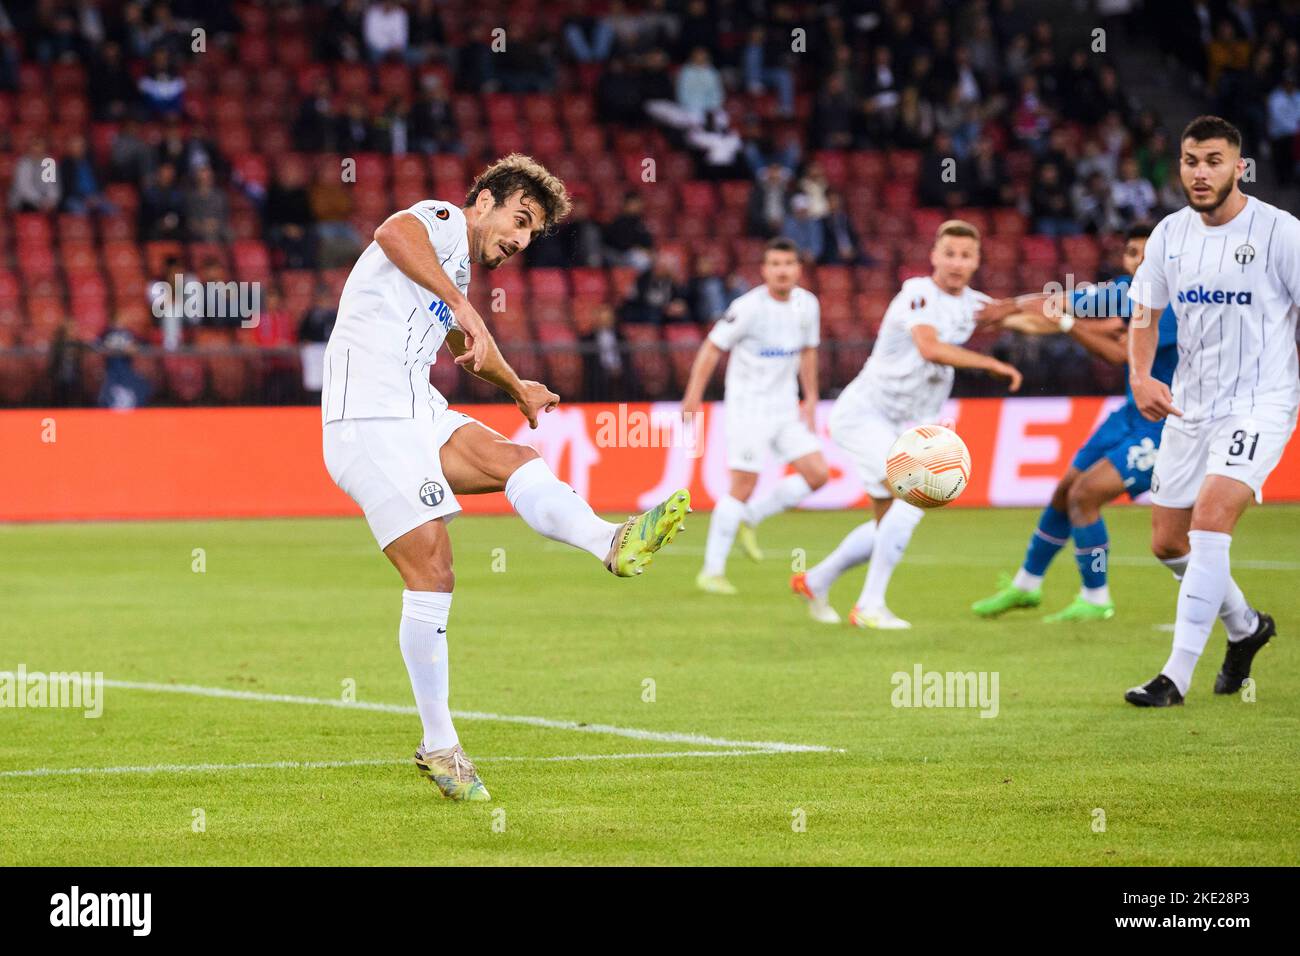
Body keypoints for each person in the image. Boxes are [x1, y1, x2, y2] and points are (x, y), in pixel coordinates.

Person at [320, 154, 691, 800]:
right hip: (366, 419)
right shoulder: (438, 223)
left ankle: (611, 543)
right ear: (485, 199)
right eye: (519, 220)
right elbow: (389, 233)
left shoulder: (452, 271)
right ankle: (440, 746)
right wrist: (461, 303)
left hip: (414, 413)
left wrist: (518, 389)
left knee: (517, 460)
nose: (520, 240)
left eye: (531, 234)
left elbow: (474, 351)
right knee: (432, 570)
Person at [1122, 116, 1298, 707]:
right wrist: (1141, 376)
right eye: (1191, 161)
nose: (1201, 173)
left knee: (1211, 518)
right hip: (1190, 405)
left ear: (1238, 167)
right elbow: (1144, 310)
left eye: (1214, 161)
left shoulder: (1280, 233)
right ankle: (1247, 627)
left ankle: (1176, 676)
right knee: (1168, 544)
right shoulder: (1170, 234)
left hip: (1261, 402)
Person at [792, 221, 1023, 627]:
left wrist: (1067, 321)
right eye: (948, 253)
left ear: (976, 261)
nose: (956, 262)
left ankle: (817, 579)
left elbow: (1024, 319)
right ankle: (870, 607)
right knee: (916, 495)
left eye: (965, 255)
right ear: (933, 255)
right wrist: (989, 362)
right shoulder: (917, 293)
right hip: (866, 415)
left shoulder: (974, 304)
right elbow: (930, 348)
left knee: (886, 522)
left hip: (908, 426)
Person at [971, 224, 1178, 622]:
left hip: (1165, 425)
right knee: (1064, 492)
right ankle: (1026, 586)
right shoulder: (1123, 292)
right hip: (1129, 415)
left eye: (1148, 253)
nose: (1139, 261)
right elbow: (1062, 302)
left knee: (1085, 496)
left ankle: (1096, 597)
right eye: (1132, 253)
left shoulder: (1173, 303)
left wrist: (1059, 321)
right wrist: (1010, 311)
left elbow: (1121, 355)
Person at [680, 237, 829, 595]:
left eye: (788, 264)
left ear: (798, 269)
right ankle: (711, 571)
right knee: (742, 485)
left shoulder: (808, 305)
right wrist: (693, 396)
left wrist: (810, 397)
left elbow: (808, 351)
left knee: (818, 474)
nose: (782, 271)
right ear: (764, 271)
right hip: (748, 409)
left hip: (785, 408)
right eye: (775, 264)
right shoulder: (747, 307)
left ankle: (752, 517)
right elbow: (712, 347)